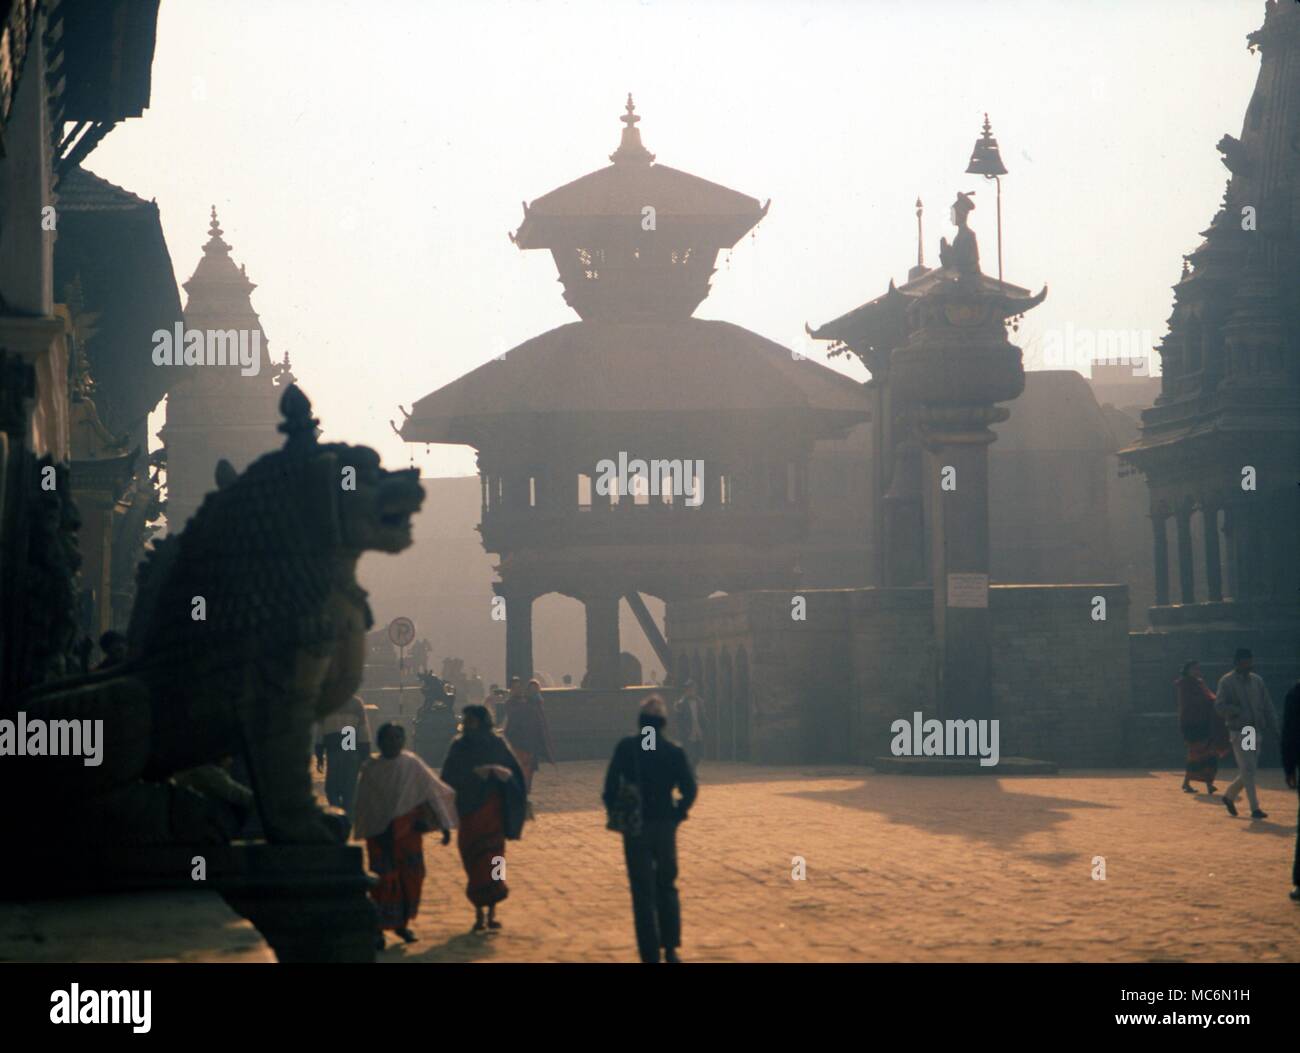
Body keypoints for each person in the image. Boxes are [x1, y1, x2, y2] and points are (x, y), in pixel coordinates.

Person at [603, 695, 698, 964]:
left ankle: (649, 953)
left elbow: (609, 788)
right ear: (663, 722)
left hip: (636, 827)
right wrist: (677, 813)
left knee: (642, 891)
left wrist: (618, 814)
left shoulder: (628, 748)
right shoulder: (673, 751)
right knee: (666, 885)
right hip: (664, 825)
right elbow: (689, 789)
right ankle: (669, 947)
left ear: (641, 720)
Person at [353, 723, 457, 950]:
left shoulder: (411, 763)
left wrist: (444, 826)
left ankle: (402, 923)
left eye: (398, 738)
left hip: (408, 833)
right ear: (380, 742)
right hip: (380, 835)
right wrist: (372, 827)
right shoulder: (370, 768)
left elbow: (431, 792)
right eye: (389, 739)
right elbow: (364, 802)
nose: (394, 743)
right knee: (383, 881)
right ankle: (378, 929)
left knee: (412, 876)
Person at [441, 704, 527, 933]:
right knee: (472, 861)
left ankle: (492, 911)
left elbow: (514, 772)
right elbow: (448, 777)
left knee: (496, 859)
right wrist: (472, 776)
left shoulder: (496, 743)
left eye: (472, 720)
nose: (467, 723)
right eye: (465, 719)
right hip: (469, 811)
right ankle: (479, 911)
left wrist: (501, 774)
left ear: (481, 720)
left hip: (493, 813)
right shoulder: (459, 746)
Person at [1215, 648, 1278, 820]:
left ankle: (1229, 796)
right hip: (1240, 729)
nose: (1248, 665)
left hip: (1252, 730)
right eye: (1245, 662)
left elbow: (1267, 705)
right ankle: (1254, 808)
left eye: (1250, 662)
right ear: (1237, 663)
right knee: (1248, 769)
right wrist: (1236, 711)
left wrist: (1274, 726)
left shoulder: (1257, 681)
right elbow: (1219, 706)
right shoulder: (1227, 682)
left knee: (1249, 770)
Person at [315, 695, 372, 818]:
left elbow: (320, 732)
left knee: (331, 788)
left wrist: (319, 753)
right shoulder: (356, 703)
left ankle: (338, 815)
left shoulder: (326, 703)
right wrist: (365, 754)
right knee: (349, 788)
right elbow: (363, 731)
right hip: (350, 747)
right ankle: (347, 817)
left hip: (333, 749)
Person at [1176, 661, 1229, 794]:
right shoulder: (1184, 684)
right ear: (1187, 670)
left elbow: (1208, 698)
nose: (1196, 671)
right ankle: (1188, 783)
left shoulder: (1200, 683)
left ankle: (1208, 784)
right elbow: (1192, 703)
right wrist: (1212, 701)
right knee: (1197, 754)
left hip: (1205, 723)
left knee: (1210, 753)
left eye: (1197, 669)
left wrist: (1214, 702)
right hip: (1192, 724)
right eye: (1193, 669)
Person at [503, 678, 556, 793]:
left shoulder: (531, 703)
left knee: (528, 770)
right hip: (518, 742)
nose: (518, 690)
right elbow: (513, 719)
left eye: (519, 687)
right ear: (511, 689)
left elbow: (540, 723)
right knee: (521, 769)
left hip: (530, 742)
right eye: (515, 688)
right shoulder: (512, 704)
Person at [1281, 680, 1300, 902]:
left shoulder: (1255, 683)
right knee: (1248, 764)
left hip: (1255, 726)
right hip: (1244, 728)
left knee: (1250, 763)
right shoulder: (1230, 683)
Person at [673, 680, 706, 774]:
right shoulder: (681, 703)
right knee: (689, 754)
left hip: (698, 731)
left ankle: (692, 770)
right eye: (689, 689)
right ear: (686, 691)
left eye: (693, 689)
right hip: (687, 732)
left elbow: (703, 716)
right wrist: (682, 731)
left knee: (699, 754)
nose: (692, 691)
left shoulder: (700, 701)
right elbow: (678, 720)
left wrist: (705, 727)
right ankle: (690, 772)